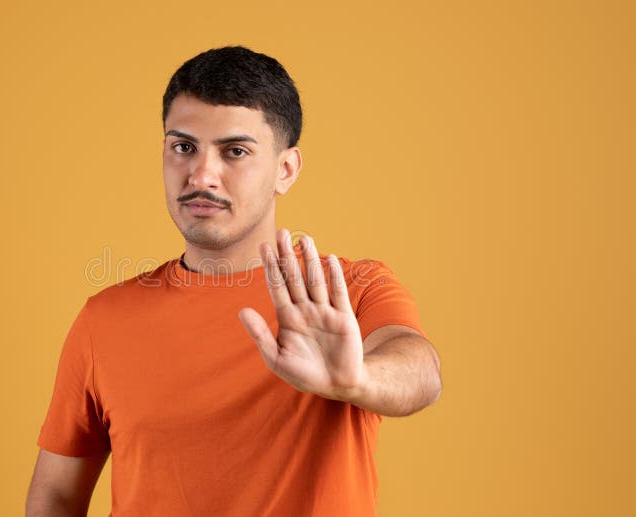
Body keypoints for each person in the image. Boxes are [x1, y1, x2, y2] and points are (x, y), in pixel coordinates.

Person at [26, 45, 442, 517]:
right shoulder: (103, 320)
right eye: (184, 147)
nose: (202, 175)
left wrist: (358, 380)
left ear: (285, 170)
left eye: (235, 151)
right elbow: (56, 495)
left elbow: (421, 371)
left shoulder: (348, 290)